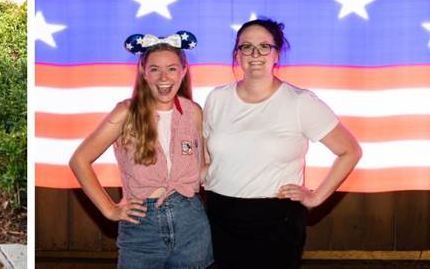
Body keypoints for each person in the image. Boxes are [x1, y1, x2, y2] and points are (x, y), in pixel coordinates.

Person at [203, 18, 361, 268]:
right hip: (220, 217)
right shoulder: (217, 98)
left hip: (276, 221)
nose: (255, 54)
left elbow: (350, 151)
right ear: (237, 54)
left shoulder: (300, 102)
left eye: (265, 46)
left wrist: (315, 197)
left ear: (277, 54)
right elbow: (208, 159)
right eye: (246, 47)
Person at [69, 32, 213, 269]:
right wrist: (110, 210)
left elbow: (201, 171)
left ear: (184, 70)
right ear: (143, 72)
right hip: (141, 227)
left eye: (172, 69)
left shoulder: (194, 112)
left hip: (192, 226)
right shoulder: (126, 113)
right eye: (155, 69)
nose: (163, 77)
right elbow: (79, 160)